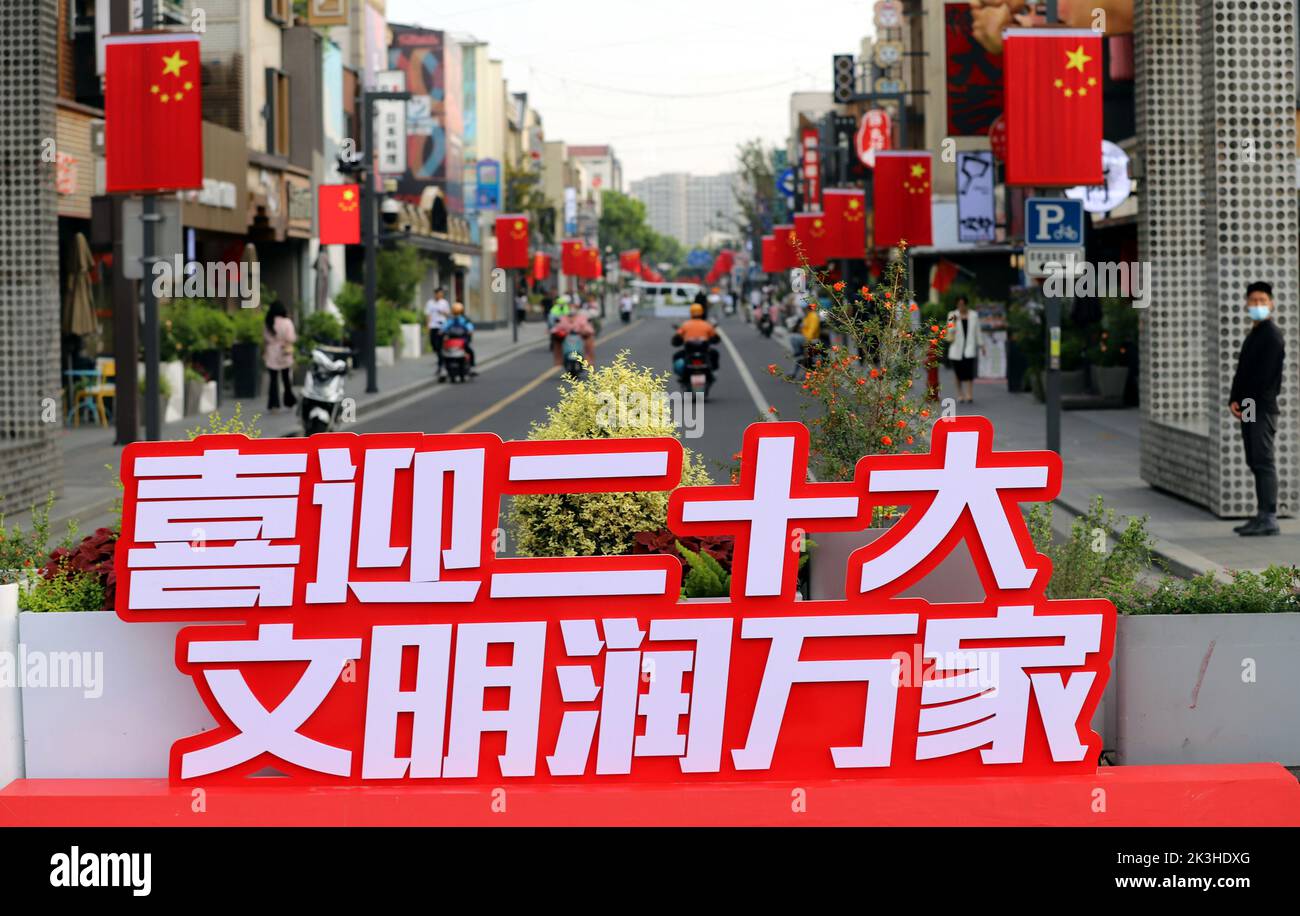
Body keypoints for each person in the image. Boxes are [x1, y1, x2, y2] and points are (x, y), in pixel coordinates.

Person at [1230, 281, 1286, 537]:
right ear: (1246, 304)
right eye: (1253, 301)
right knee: (1254, 457)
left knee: (1263, 459)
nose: (1258, 305)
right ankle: (1261, 513)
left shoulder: (1272, 335)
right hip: (1250, 405)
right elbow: (1243, 372)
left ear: (1271, 303)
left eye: (1263, 301)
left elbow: (1263, 379)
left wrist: (1245, 401)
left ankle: (1269, 517)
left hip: (1261, 407)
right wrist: (1235, 398)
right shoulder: (1255, 333)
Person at [945, 296, 981, 403]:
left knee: (969, 372)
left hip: (969, 347)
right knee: (958, 373)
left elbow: (977, 331)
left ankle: (969, 394)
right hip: (956, 349)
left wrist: (981, 345)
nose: (961, 306)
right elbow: (950, 330)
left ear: (966, 304)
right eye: (959, 304)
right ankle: (960, 394)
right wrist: (955, 322)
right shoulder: (952, 315)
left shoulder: (974, 315)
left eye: (963, 304)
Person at [263, 301, 298, 412]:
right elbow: (291, 338)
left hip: (272, 352)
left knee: (273, 380)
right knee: (286, 379)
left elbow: (266, 338)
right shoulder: (287, 322)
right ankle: (289, 402)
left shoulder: (268, 322)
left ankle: (274, 405)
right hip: (284, 352)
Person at [440, 302, 477, 379]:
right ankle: (443, 370)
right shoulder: (451, 320)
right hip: (451, 341)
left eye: (457, 310)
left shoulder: (464, 320)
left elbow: (469, 327)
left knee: (470, 351)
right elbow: (444, 326)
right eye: (455, 310)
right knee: (443, 353)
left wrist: (470, 331)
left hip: (462, 341)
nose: (456, 312)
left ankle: (472, 368)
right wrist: (441, 331)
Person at [425, 287, 450, 376]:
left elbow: (448, 314)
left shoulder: (444, 303)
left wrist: (443, 312)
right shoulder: (430, 303)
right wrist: (427, 326)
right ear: (435, 294)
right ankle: (441, 360)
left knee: (439, 346)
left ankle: (441, 365)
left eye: (441, 293)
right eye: (439, 293)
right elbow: (428, 315)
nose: (440, 295)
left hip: (441, 327)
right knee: (434, 345)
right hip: (433, 326)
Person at [548, 296, 571, 366]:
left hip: (565, 326)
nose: (561, 305)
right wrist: (552, 326)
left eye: (562, 303)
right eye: (560, 303)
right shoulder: (555, 309)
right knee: (554, 336)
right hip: (557, 326)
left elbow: (569, 316)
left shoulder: (566, 308)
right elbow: (551, 318)